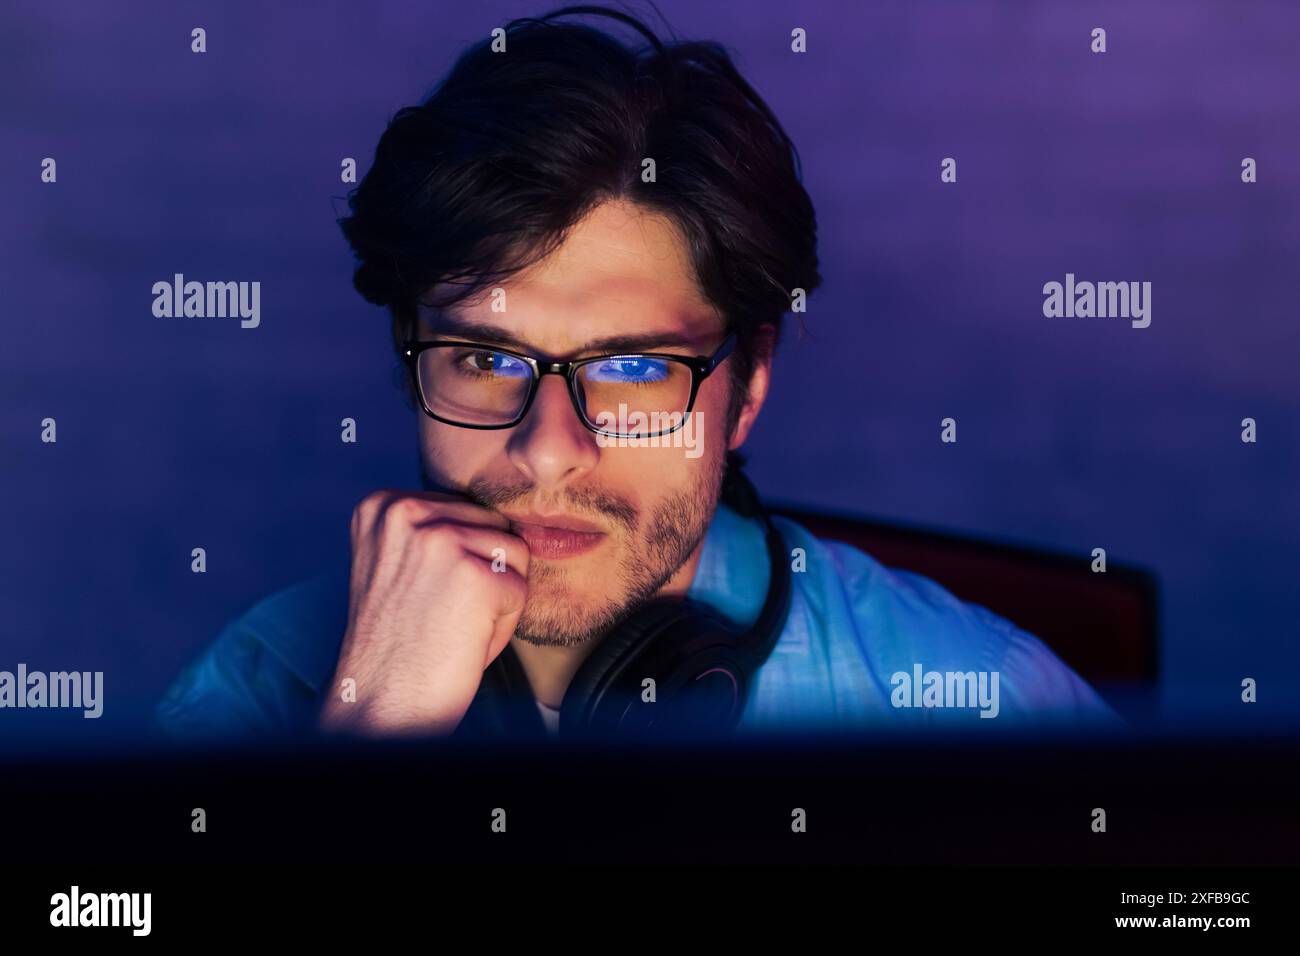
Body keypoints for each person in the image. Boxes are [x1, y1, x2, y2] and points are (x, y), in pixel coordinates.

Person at [155, 6, 1119, 744]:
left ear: (749, 387)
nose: (547, 454)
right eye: (488, 359)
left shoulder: (977, 701)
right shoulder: (261, 688)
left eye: (629, 369)